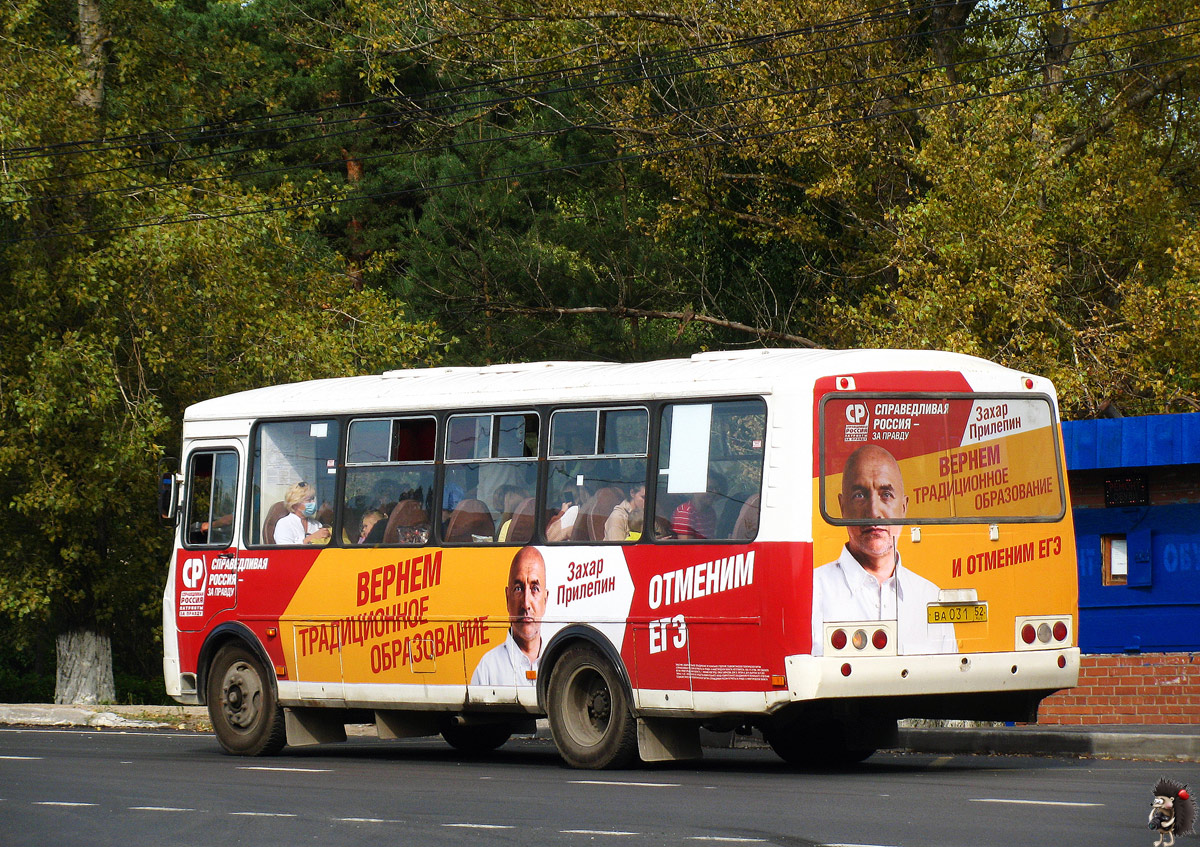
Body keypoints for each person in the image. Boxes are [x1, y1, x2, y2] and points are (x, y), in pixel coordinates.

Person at [811, 444, 955, 656]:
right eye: (859, 495)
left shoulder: (931, 598)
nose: (874, 511)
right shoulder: (811, 595)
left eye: (886, 494)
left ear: (904, 508)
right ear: (842, 507)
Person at [471, 546, 547, 686]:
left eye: (535, 589)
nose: (526, 604)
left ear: (545, 600)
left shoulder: (557, 664)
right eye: (518, 589)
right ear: (507, 598)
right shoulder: (487, 669)